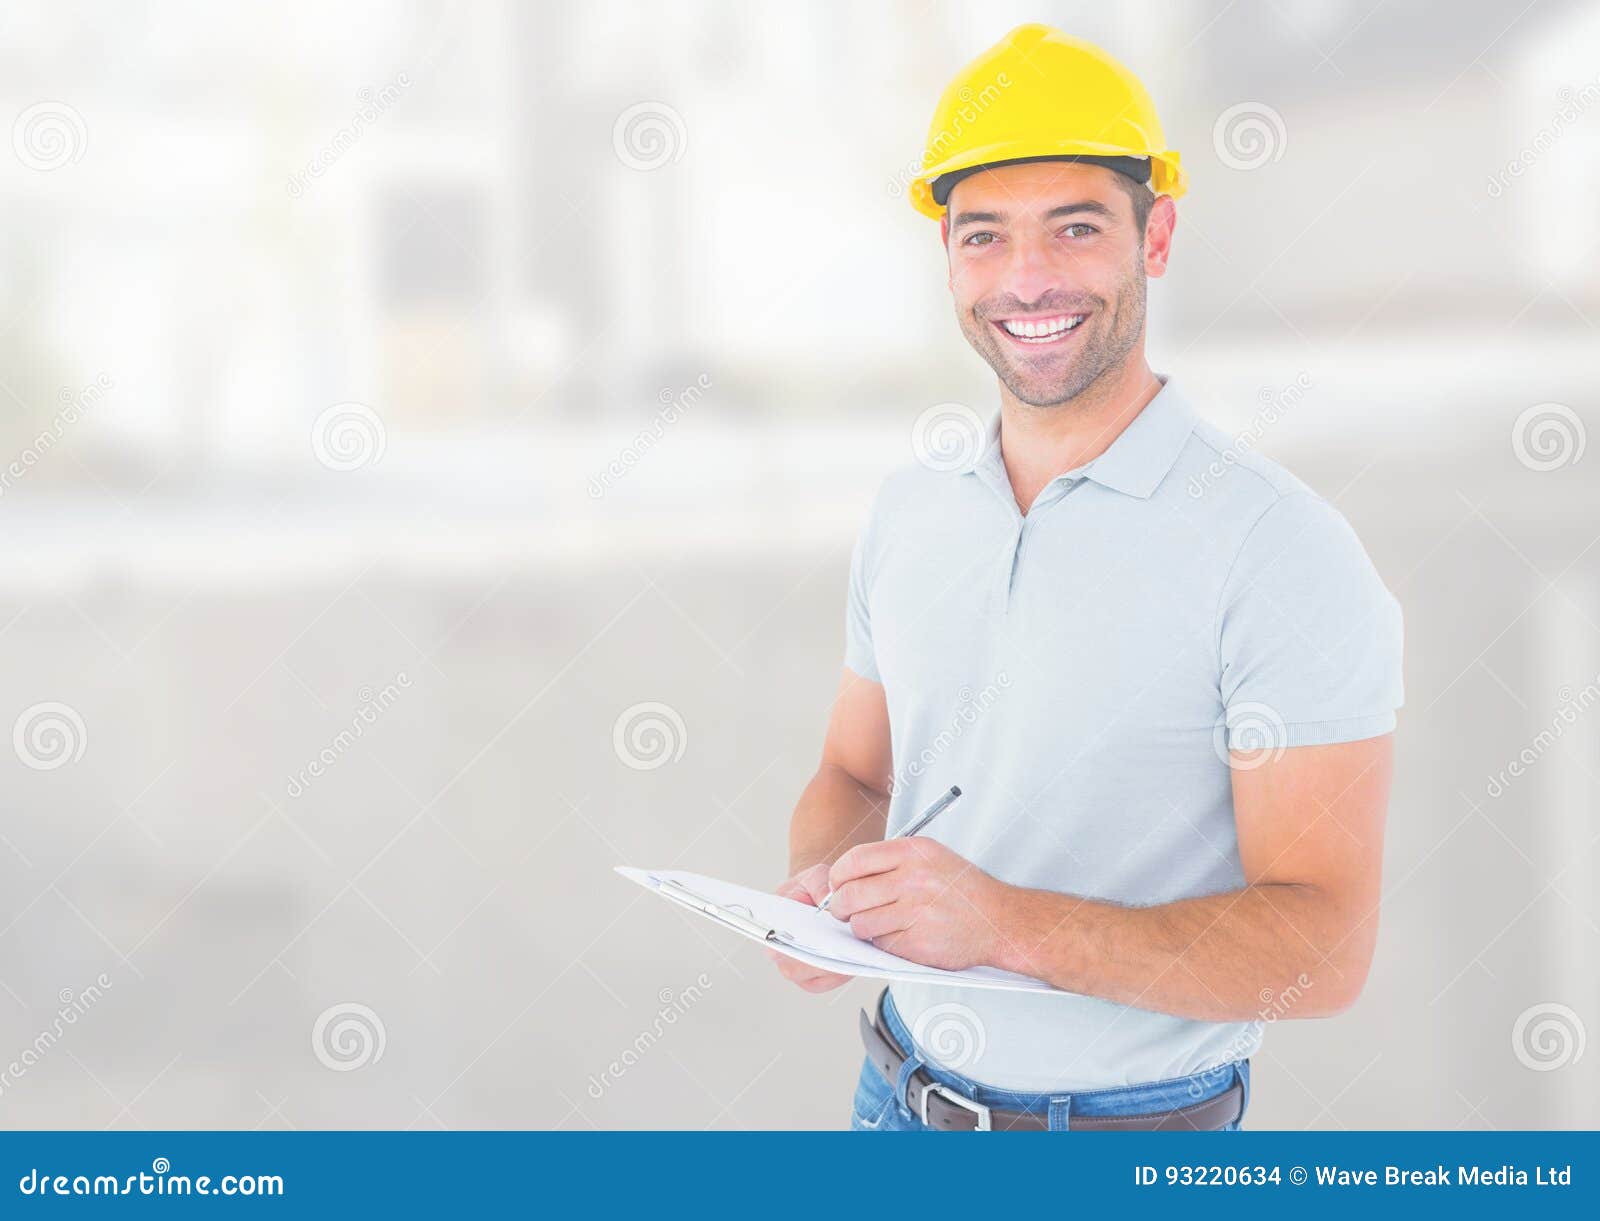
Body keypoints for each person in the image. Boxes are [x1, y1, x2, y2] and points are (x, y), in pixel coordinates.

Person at [770, 24, 1404, 1133]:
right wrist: (826, 893)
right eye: (984, 238)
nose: (1026, 281)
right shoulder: (911, 512)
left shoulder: (1276, 550)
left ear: (1154, 235)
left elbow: (1325, 947)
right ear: (947, 256)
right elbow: (851, 771)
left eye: (1074, 229)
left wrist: (1009, 924)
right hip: (893, 1105)